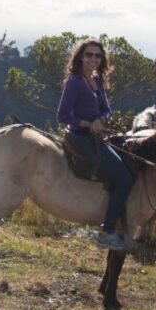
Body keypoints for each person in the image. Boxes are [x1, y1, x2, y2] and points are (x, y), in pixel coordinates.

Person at [56, 38, 134, 251]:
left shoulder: (96, 79)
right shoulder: (75, 82)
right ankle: (107, 231)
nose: (94, 59)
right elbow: (63, 115)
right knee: (125, 180)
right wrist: (89, 124)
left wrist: (102, 120)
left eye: (98, 55)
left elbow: (107, 108)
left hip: (96, 135)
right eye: (89, 54)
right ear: (80, 57)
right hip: (80, 137)